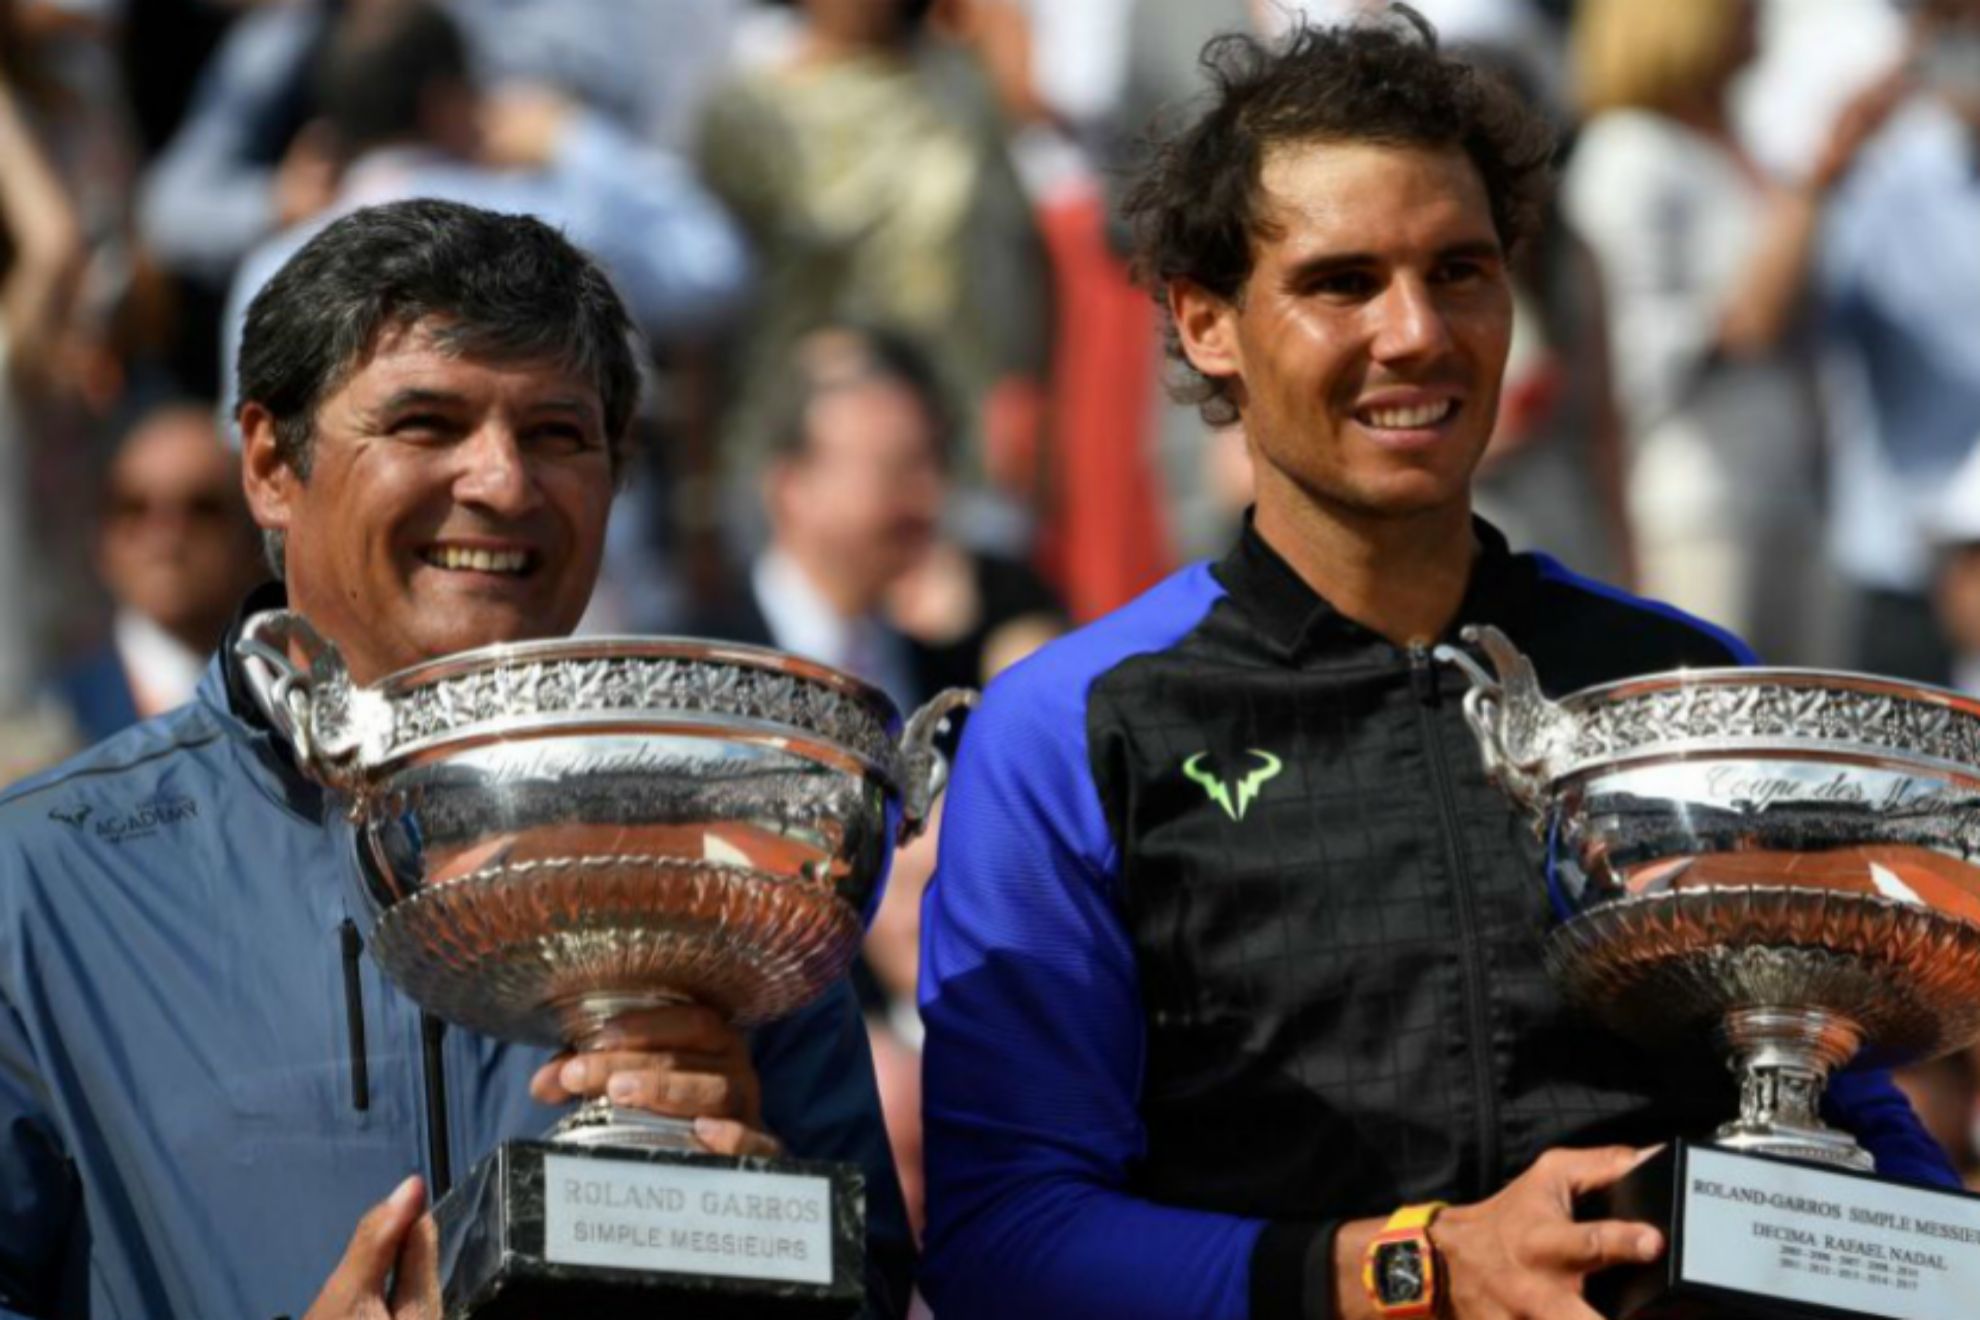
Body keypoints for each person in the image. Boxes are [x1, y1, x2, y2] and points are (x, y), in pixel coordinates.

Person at [915, 13, 1955, 1320]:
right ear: (1205, 322)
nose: (1417, 334)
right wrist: (1424, 1269)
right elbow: (1005, 1236)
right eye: (1343, 282)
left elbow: (1838, 1116)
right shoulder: (1071, 726)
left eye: (1460, 270)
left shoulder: (1682, 684)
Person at [0, 198, 912, 1319]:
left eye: (558, 435)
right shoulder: (37, 885)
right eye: (427, 424)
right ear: (272, 464)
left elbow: (874, 1292)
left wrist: (747, 1214)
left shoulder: (732, 865)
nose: (505, 484)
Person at [1561, 0, 1901, 666]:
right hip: (1694, 503)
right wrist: (1820, 179)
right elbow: (1746, 322)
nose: (1759, 18)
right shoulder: (1631, 153)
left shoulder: (1742, 147)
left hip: (1791, 493)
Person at [1819, 0, 1980, 685]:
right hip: (1901, 570)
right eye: (1952, 31)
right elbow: (1767, 324)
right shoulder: (1882, 178)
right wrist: (1830, 162)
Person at [51, 401, 265, 742]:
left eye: (201, 507)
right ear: (103, 538)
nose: (165, 535)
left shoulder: (289, 717)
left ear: (250, 531)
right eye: (134, 508)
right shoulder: (48, 720)